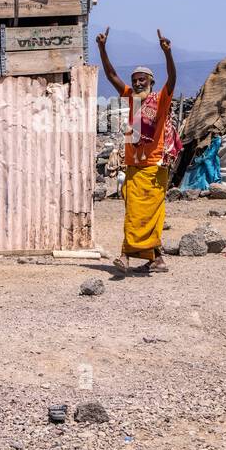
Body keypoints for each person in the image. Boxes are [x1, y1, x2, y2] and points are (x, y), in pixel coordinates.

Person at [97, 27, 178, 274]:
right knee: (137, 213)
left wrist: (168, 54)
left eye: (142, 79)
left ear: (151, 82)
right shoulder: (132, 98)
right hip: (133, 165)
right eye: (134, 80)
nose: (137, 82)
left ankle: (125, 256)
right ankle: (157, 259)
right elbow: (111, 75)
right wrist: (102, 48)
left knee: (144, 214)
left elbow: (172, 79)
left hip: (153, 167)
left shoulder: (160, 99)